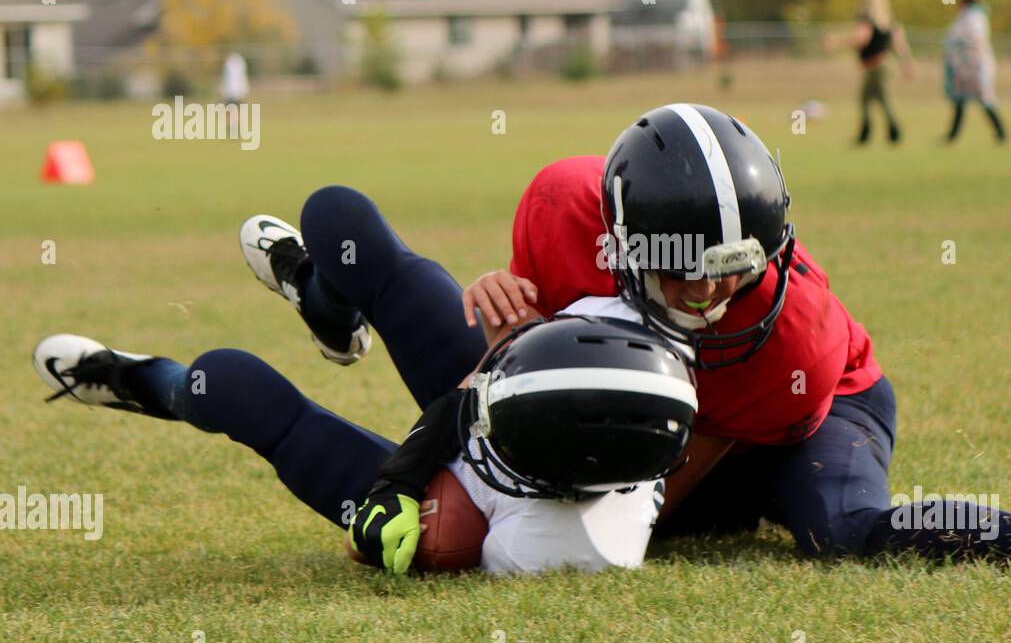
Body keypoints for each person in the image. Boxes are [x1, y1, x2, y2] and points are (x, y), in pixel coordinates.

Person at [458, 104, 1011, 574]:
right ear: (617, 238)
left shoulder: (792, 336)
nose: (707, 292)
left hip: (816, 409)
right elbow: (554, 362)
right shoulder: (561, 208)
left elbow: (662, 495)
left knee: (841, 528)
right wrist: (504, 332)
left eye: (730, 271)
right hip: (689, 403)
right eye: (681, 270)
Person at [32, 191, 698, 577]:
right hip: (502, 379)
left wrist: (393, 503)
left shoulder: (572, 543)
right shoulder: (629, 330)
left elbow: (418, 538)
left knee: (224, 386)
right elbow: (471, 390)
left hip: (474, 479)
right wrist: (503, 335)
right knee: (338, 219)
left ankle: (145, 383)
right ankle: (327, 306)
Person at [847, 0, 914, 144]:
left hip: (875, 66)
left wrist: (837, 43)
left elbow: (862, 39)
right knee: (880, 100)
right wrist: (907, 64)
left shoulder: (867, 20)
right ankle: (890, 133)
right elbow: (900, 45)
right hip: (883, 65)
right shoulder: (889, 21)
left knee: (870, 100)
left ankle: (878, 133)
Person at [942, 0, 1007, 142]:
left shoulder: (973, 18)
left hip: (974, 66)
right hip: (965, 66)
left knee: (984, 98)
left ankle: (1001, 132)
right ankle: (952, 135)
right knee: (960, 100)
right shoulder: (969, 17)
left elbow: (974, 40)